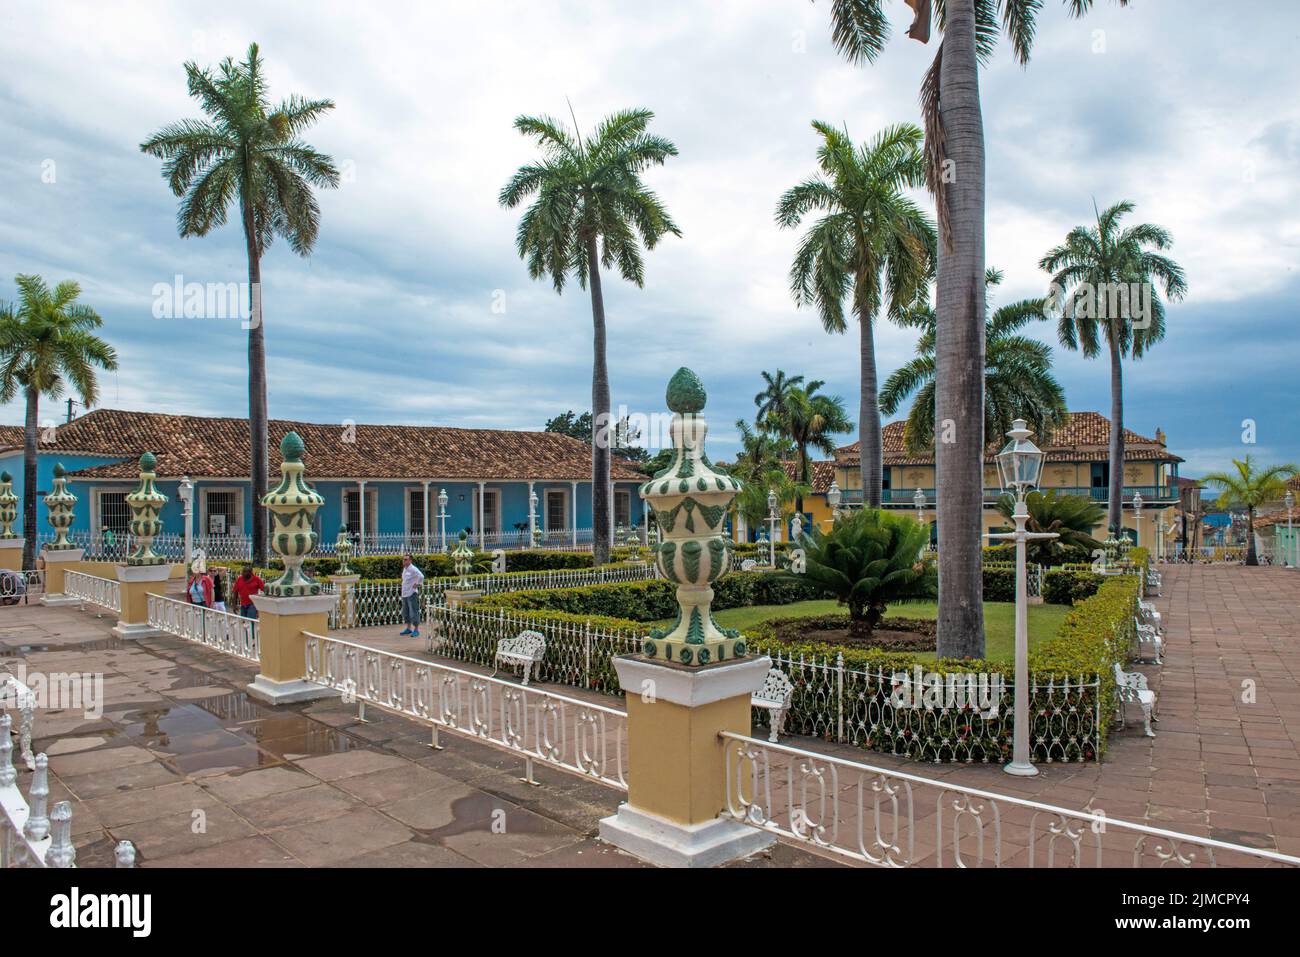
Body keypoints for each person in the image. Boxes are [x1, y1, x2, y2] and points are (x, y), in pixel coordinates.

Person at [399, 553, 424, 638]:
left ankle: (416, 630)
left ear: (410, 560)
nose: (404, 561)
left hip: (412, 593)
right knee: (406, 612)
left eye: (406, 559)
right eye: (403, 559)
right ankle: (408, 628)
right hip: (404, 594)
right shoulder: (405, 569)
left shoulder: (413, 569)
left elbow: (421, 576)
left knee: (414, 612)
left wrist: (417, 584)